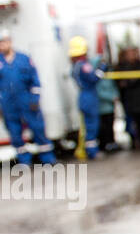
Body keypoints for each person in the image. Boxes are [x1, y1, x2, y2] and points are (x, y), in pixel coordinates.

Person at [0, 31, 56, 165]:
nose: (1, 45)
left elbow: (34, 79)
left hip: (27, 100)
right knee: (14, 132)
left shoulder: (23, 58)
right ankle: (24, 161)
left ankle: (47, 158)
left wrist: (35, 97)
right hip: (8, 103)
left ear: (10, 41)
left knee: (38, 128)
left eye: (3, 42)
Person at [68, 36, 101, 160]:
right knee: (92, 125)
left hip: (83, 97)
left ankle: (90, 149)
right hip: (89, 97)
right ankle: (92, 151)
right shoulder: (83, 65)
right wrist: (101, 69)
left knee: (88, 125)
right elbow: (93, 78)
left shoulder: (75, 66)